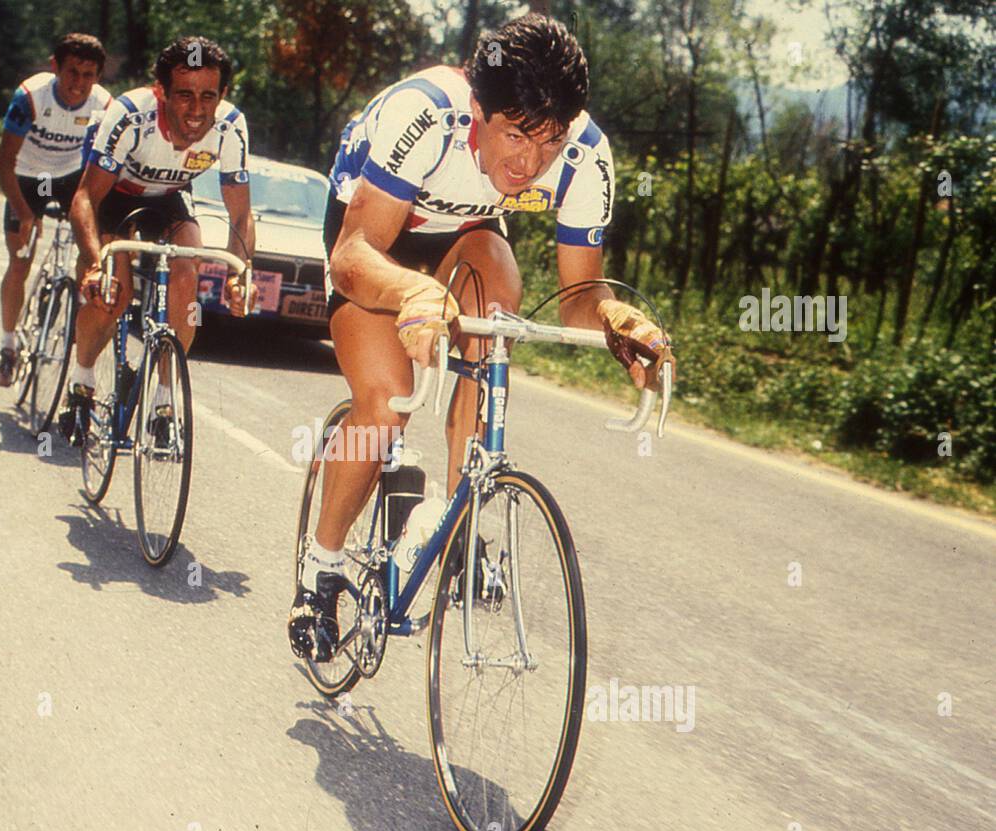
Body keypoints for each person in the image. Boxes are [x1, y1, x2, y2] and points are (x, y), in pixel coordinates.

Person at [288, 13, 677, 662]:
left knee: (499, 297)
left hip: (465, 235)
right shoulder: (426, 113)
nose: (530, 162)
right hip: (374, 234)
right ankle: (320, 569)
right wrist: (411, 290)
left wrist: (618, 319)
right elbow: (353, 256)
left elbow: (582, 294)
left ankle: (459, 514)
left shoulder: (584, 153)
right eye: (516, 135)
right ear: (478, 108)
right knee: (385, 405)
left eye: (549, 141)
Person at [57, 35, 254, 445]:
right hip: (115, 196)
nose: (197, 111)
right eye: (183, 96)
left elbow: (240, 214)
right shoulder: (130, 114)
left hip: (169, 197)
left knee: (188, 271)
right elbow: (85, 198)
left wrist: (241, 274)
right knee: (114, 290)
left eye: (208, 96)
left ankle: (164, 401)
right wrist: (95, 265)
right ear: (160, 91)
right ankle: (83, 379)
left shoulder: (231, 125)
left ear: (224, 94)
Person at [0, 32, 112, 387]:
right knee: (20, 260)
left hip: (72, 175)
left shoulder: (104, 105)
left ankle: (76, 299)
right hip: (27, 176)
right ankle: (8, 346)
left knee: (92, 248)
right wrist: (26, 214)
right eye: (72, 72)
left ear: (99, 77)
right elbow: (2, 162)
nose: (78, 84)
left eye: (88, 75)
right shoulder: (30, 97)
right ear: (55, 67)